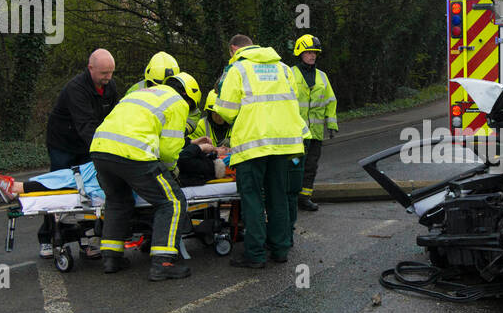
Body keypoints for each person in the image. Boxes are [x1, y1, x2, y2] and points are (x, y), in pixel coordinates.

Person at [90, 71, 202, 280]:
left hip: (100, 149)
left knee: (118, 201)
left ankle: (111, 258)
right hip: (132, 154)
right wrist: (171, 171)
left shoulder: (140, 93)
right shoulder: (178, 103)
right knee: (172, 202)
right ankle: (163, 262)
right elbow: (168, 151)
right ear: (188, 97)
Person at [213, 35, 306, 268]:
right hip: (285, 143)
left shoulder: (238, 69)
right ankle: (280, 249)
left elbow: (225, 111)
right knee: (278, 196)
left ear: (234, 49)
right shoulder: (284, 68)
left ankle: (254, 254)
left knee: (252, 198)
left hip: (253, 145)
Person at [39, 48, 121, 258]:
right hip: (64, 144)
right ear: (90, 68)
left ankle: (86, 238)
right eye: (104, 73)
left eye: (111, 72)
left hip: (87, 143)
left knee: (90, 191)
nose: (108, 77)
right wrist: (106, 150)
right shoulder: (76, 88)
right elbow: (86, 126)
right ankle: (48, 237)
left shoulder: (110, 87)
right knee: (57, 189)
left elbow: (115, 117)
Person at [289, 34, 337, 211]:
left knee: (310, 167)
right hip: (295, 133)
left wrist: (331, 124)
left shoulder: (322, 77)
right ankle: (291, 197)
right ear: (300, 53)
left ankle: (305, 197)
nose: (312, 56)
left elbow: (331, 101)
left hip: (315, 133)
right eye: (308, 52)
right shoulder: (290, 74)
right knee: (293, 166)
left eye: (314, 52)